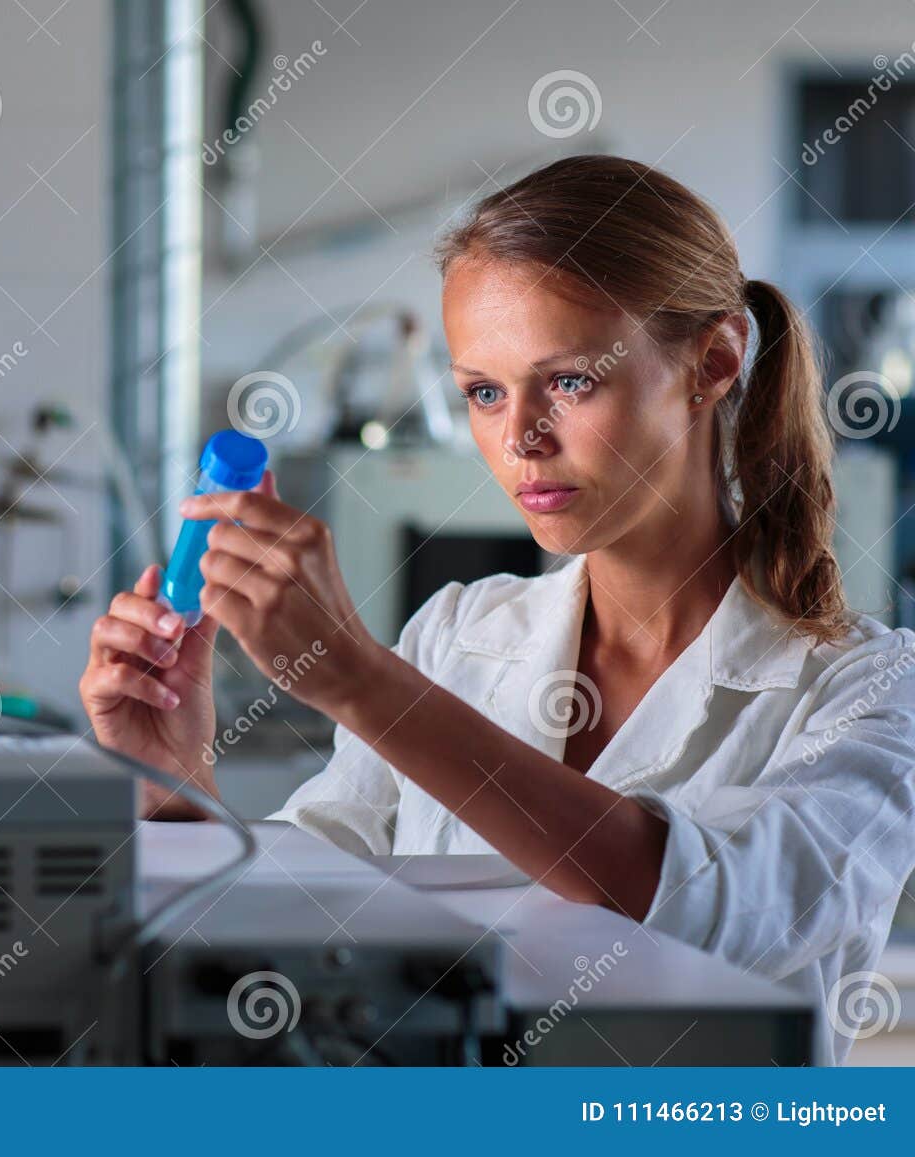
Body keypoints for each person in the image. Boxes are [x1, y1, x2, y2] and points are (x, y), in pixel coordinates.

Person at [79, 154, 915, 1063]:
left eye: (568, 381)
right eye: (484, 391)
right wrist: (179, 789)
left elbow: (705, 907)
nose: (519, 437)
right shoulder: (457, 635)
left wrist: (361, 680)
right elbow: (309, 907)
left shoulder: (871, 690)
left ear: (712, 362)